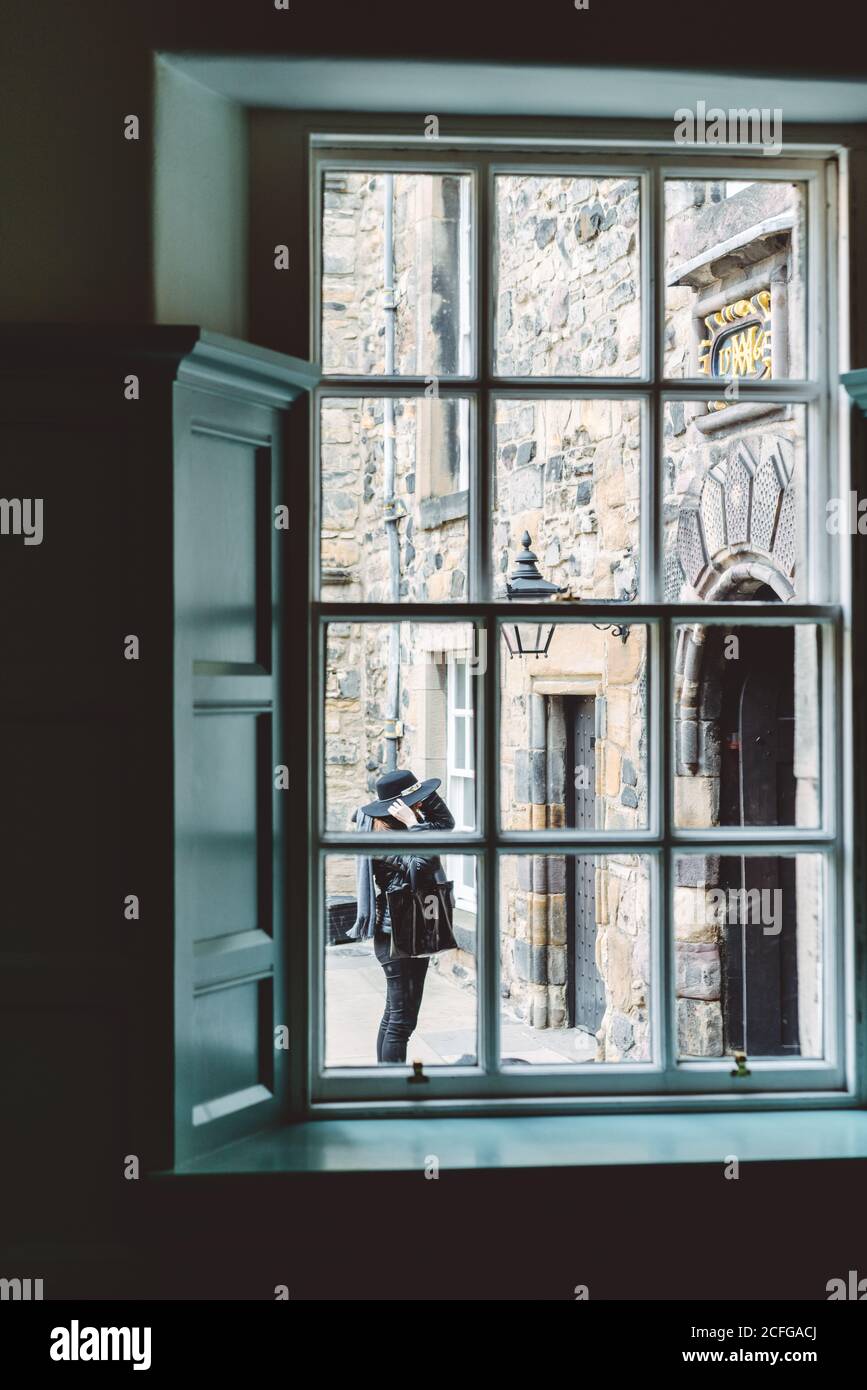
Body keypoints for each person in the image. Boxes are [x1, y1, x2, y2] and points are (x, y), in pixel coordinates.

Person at [348, 769, 455, 1063]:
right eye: (414, 802)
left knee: (395, 1018)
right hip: (399, 934)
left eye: (418, 801)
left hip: (409, 930)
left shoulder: (395, 828)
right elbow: (423, 860)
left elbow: (446, 824)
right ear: (397, 810)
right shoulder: (386, 840)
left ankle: (385, 1081)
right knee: (401, 1023)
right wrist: (413, 823)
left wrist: (419, 793)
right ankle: (390, 1087)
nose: (420, 807)